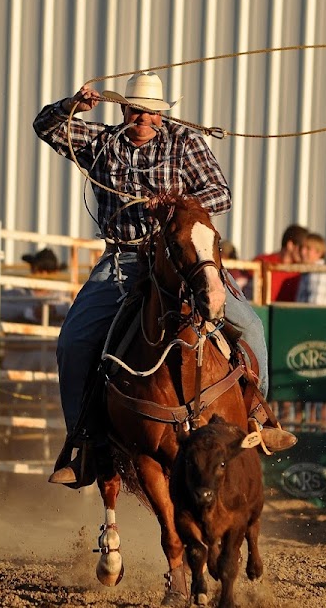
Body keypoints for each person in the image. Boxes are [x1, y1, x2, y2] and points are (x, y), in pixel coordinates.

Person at [33, 72, 295, 484]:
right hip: (124, 259)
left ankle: (259, 416)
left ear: (160, 115)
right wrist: (72, 106)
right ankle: (83, 442)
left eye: (150, 111)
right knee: (74, 341)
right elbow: (45, 126)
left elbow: (220, 194)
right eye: (135, 109)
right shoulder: (103, 143)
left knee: (249, 324)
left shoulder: (185, 143)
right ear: (123, 109)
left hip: (181, 260)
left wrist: (176, 203)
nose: (142, 117)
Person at [1, 248, 71, 325]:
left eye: (47, 271)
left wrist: (54, 310)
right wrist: (29, 312)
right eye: (36, 270)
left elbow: (72, 310)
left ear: (56, 272)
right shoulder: (18, 293)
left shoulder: (65, 296)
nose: (41, 275)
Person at [254, 224, 308, 302]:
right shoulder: (263, 262)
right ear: (290, 245)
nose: (304, 252)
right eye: (302, 247)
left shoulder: (304, 270)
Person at [295, 233, 326, 305]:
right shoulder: (310, 273)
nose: (302, 252)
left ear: (319, 252)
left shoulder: (318, 274)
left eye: (308, 248)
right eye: (301, 248)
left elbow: (315, 309)